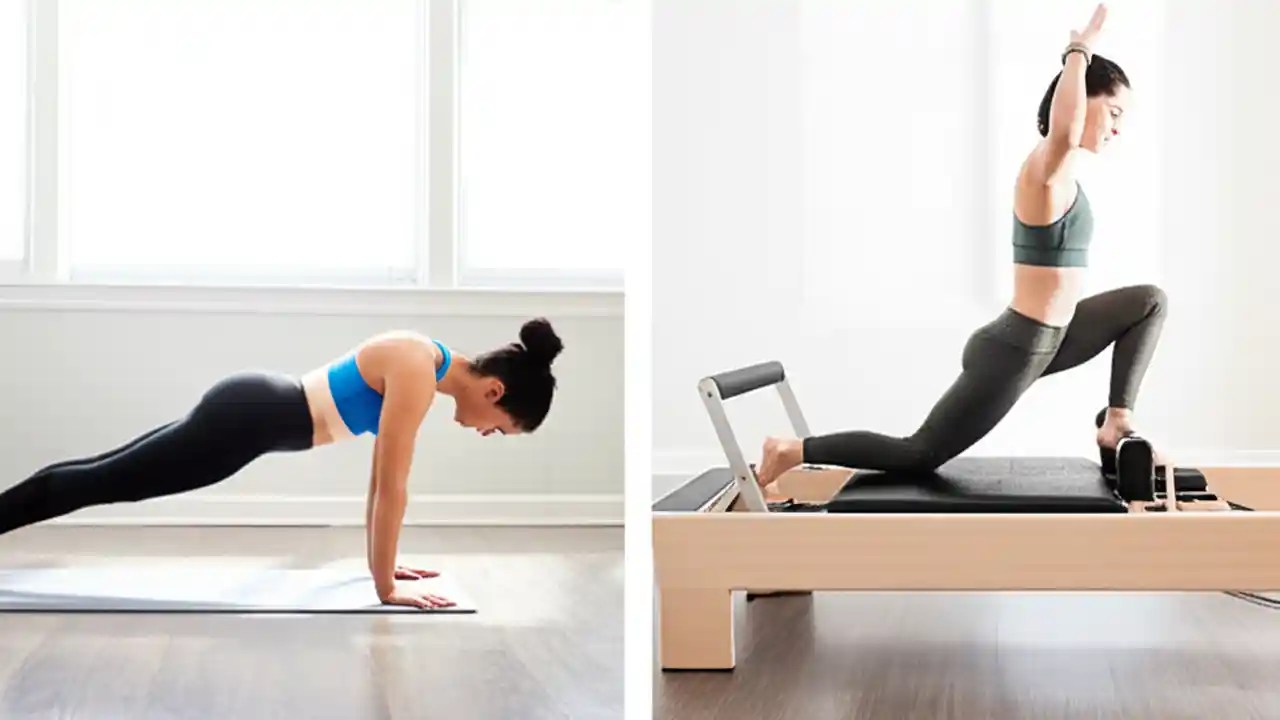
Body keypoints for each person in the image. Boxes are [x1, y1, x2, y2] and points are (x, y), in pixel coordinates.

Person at [756, 3, 1167, 488]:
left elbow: (1071, 133)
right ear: (1080, 99)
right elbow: (1066, 129)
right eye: (1113, 112)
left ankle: (1117, 420)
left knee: (1148, 301)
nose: (1118, 127)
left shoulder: (1069, 175)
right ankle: (789, 450)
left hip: (1057, 337)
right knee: (920, 452)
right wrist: (1080, 49)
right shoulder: (1045, 171)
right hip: (1016, 348)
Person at [0, 317, 564, 610]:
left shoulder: (424, 358)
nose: (489, 433)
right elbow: (393, 486)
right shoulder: (418, 371)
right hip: (245, 420)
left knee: (100, 474)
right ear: (494, 392)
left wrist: (385, 570)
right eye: (502, 428)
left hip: (247, 413)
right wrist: (386, 586)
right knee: (103, 481)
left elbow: (378, 483)